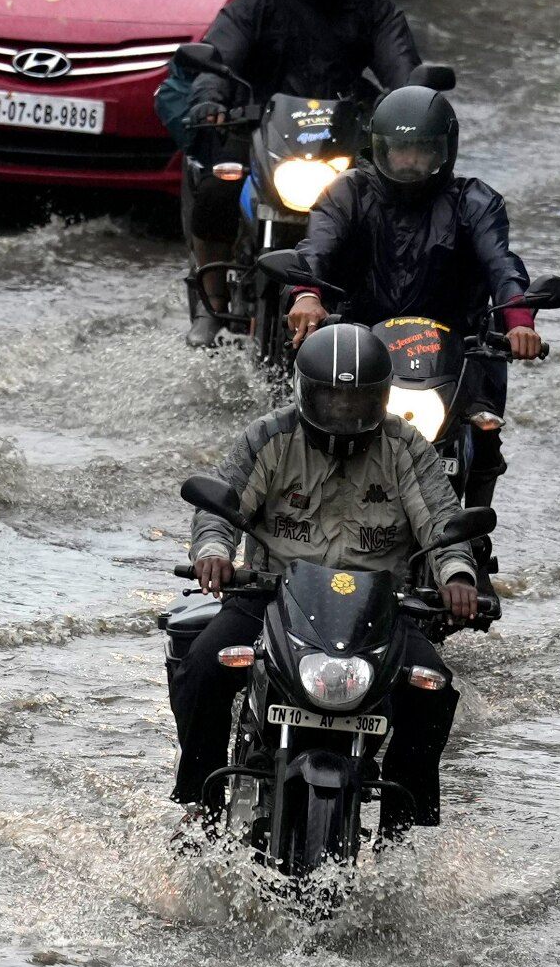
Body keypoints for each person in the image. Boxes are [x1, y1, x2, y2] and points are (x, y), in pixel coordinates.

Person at [169, 324, 478, 842]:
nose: (344, 412)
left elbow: (443, 522)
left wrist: (458, 577)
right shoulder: (269, 437)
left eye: (357, 400)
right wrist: (214, 554)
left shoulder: (406, 447)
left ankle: (402, 831)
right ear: (304, 391)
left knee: (432, 688)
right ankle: (202, 804)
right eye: (332, 398)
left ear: (382, 397)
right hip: (271, 598)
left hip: (378, 609)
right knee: (202, 668)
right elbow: (220, 506)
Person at [181, 0, 421, 347]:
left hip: (343, 132)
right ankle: (212, 300)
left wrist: (412, 106)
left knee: (397, 198)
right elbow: (220, 53)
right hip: (260, 124)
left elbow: (401, 67)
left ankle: (384, 304)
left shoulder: (372, 3)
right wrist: (211, 99)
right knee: (216, 183)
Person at [287, 85, 542, 513]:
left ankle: (476, 534)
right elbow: (316, 249)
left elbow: (503, 265)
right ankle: (298, 514)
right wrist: (307, 295)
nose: (409, 161)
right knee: (310, 422)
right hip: (359, 343)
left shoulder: (475, 202)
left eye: (422, 150)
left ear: (445, 150)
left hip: (457, 350)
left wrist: (519, 322)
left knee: (485, 430)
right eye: (399, 149)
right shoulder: (347, 192)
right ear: (380, 148)